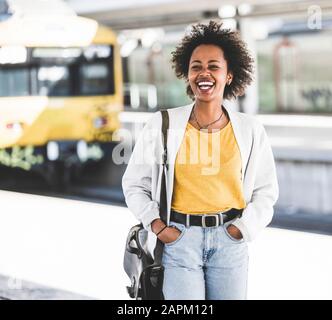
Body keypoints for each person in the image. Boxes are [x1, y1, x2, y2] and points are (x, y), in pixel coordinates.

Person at [122, 20, 279, 300]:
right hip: (180, 241)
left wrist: (242, 229)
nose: (204, 73)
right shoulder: (162, 125)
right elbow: (134, 184)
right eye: (196, 66)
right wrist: (157, 226)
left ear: (229, 75)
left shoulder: (250, 129)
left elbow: (265, 192)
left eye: (213, 66)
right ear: (187, 73)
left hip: (230, 242)